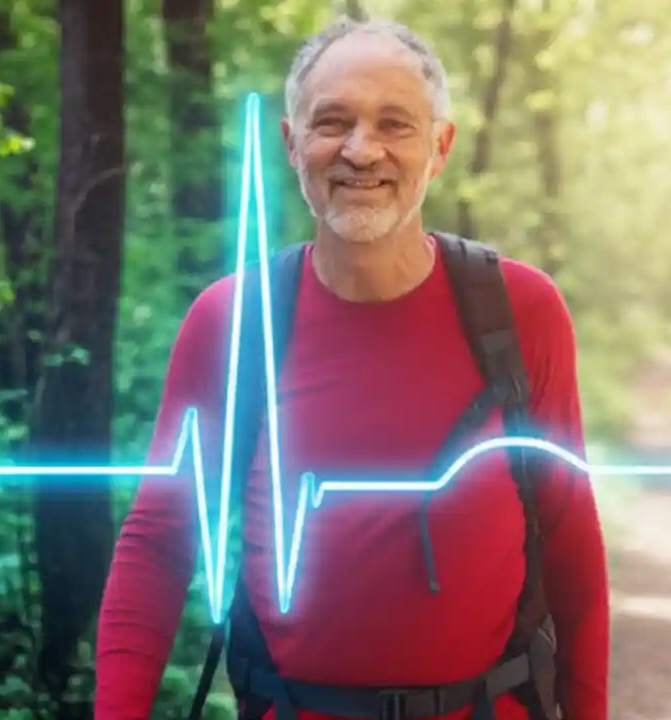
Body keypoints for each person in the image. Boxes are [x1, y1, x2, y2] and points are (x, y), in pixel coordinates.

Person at [92, 17, 610, 720]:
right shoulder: (230, 322)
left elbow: (572, 541)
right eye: (332, 121)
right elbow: (159, 539)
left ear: (440, 146)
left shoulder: (521, 312)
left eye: (395, 124)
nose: (361, 151)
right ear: (290, 142)